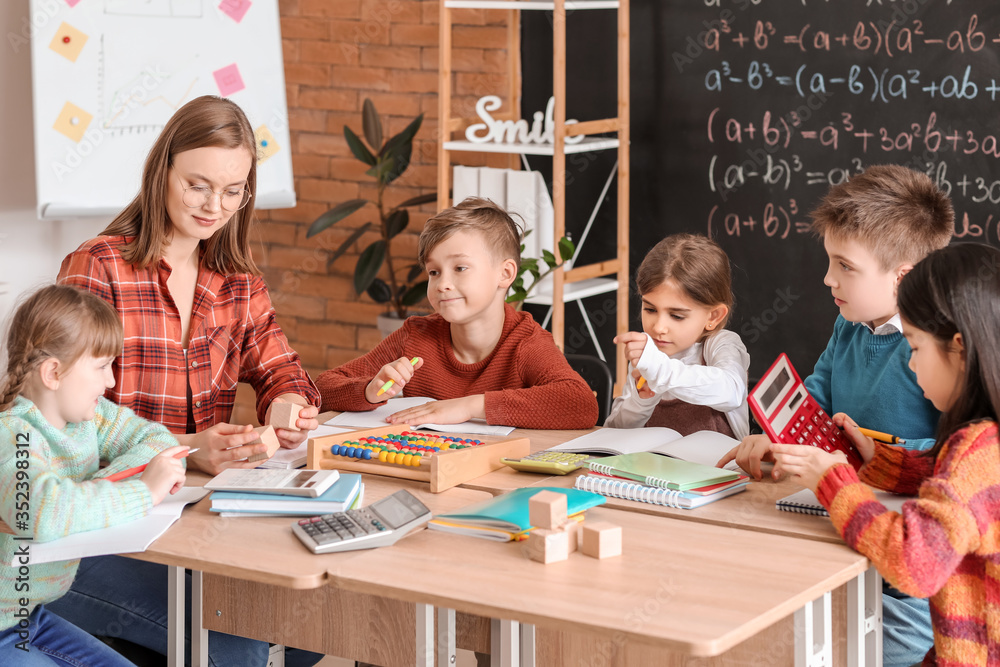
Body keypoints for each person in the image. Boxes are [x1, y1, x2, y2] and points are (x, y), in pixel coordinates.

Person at [52, 96, 323, 667]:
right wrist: (186, 452)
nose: (215, 206)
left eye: (233, 191)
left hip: (193, 519)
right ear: (163, 171)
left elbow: (281, 369)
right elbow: (59, 423)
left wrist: (287, 406)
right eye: (199, 185)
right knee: (237, 645)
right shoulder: (98, 267)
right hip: (93, 533)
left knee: (312, 619)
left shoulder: (238, 283)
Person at [717, 164, 955, 667]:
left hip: (906, 582)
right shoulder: (849, 324)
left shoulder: (938, 354)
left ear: (902, 278)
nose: (828, 279)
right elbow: (815, 398)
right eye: (830, 262)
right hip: (843, 530)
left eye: (845, 266)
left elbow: (949, 460)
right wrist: (774, 438)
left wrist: (874, 454)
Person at [771, 243, 1000, 667]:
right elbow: (956, 498)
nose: (911, 367)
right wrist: (877, 458)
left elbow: (915, 564)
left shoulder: (974, 454)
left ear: (959, 350)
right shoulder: (985, 443)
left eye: (914, 348)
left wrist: (833, 483)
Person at [0, 285, 186, 666]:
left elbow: (158, 440)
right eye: (102, 366)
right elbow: (42, 512)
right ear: (54, 372)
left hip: (28, 617)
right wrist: (142, 491)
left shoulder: (89, 419)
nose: (112, 382)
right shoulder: (11, 435)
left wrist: (92, 490)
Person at [316, 196, 599, 430]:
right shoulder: (416, 337)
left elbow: (580, 404)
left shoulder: (525, 342)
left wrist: (470, 406)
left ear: (505, 273)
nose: (443, 284)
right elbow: (322, 387)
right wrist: (369, 389)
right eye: (434, 272)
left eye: (460, 268)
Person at [605, 233, 749, 439]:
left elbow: (731, 392)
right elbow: (614, 432)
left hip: (715, 469)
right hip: (653, 468)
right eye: (650, 309)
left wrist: (660, 370)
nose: (659, 327)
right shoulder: (649, 355)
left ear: (713, 316)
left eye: (677, 315)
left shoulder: (721, 344)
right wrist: (641, 402)